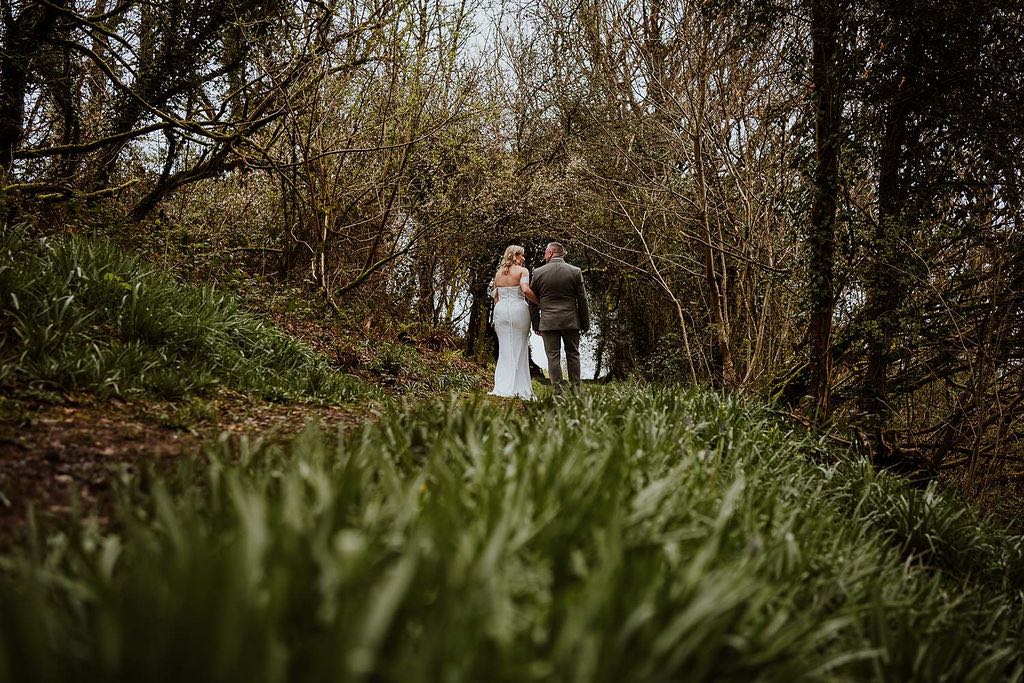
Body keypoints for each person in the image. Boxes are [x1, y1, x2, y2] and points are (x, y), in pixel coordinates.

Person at [530, 242, 590, 394]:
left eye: (545, 253)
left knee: (553, 357)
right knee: (573, 354)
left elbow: (532, 301)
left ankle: (558, 391)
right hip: (570, 321)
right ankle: (576, 389)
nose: (544, 255)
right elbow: (582, 299)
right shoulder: (575, 271)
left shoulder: (538, 272)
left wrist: (536, 324)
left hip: (548, 322)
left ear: (550, 253)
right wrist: (585, 323)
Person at [489, 245, 539, 399]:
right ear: (514, 256)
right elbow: (525, 289)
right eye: (521, 255)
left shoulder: (498, 274)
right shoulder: (523, 271)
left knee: (505, 349)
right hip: (518, 310)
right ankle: (518, 387)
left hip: (501, 311)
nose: (523, 258)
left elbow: (496, 298)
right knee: (520, 347)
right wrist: (539, 301)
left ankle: (502, 386)